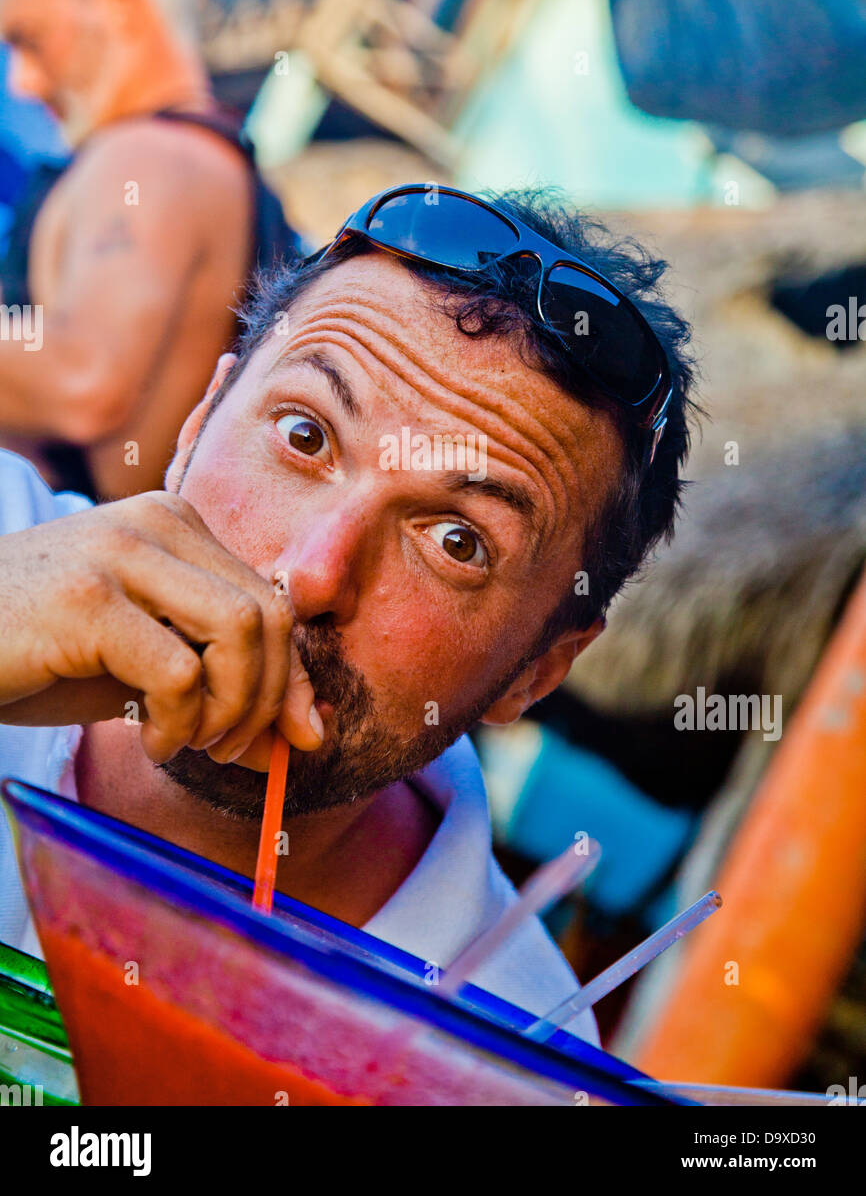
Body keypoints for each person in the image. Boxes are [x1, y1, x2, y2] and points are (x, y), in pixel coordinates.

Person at [0, 184, 695, 1045]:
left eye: (456, 542)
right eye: (303, 437)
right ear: (196, 424)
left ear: (538, 671)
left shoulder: (506, 1060)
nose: (314, 572)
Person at [0, 0, 299, 502]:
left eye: (29, 40)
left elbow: (82, 380)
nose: (22, 83)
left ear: (119, 1)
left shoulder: (148, 155)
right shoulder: (225, 168)